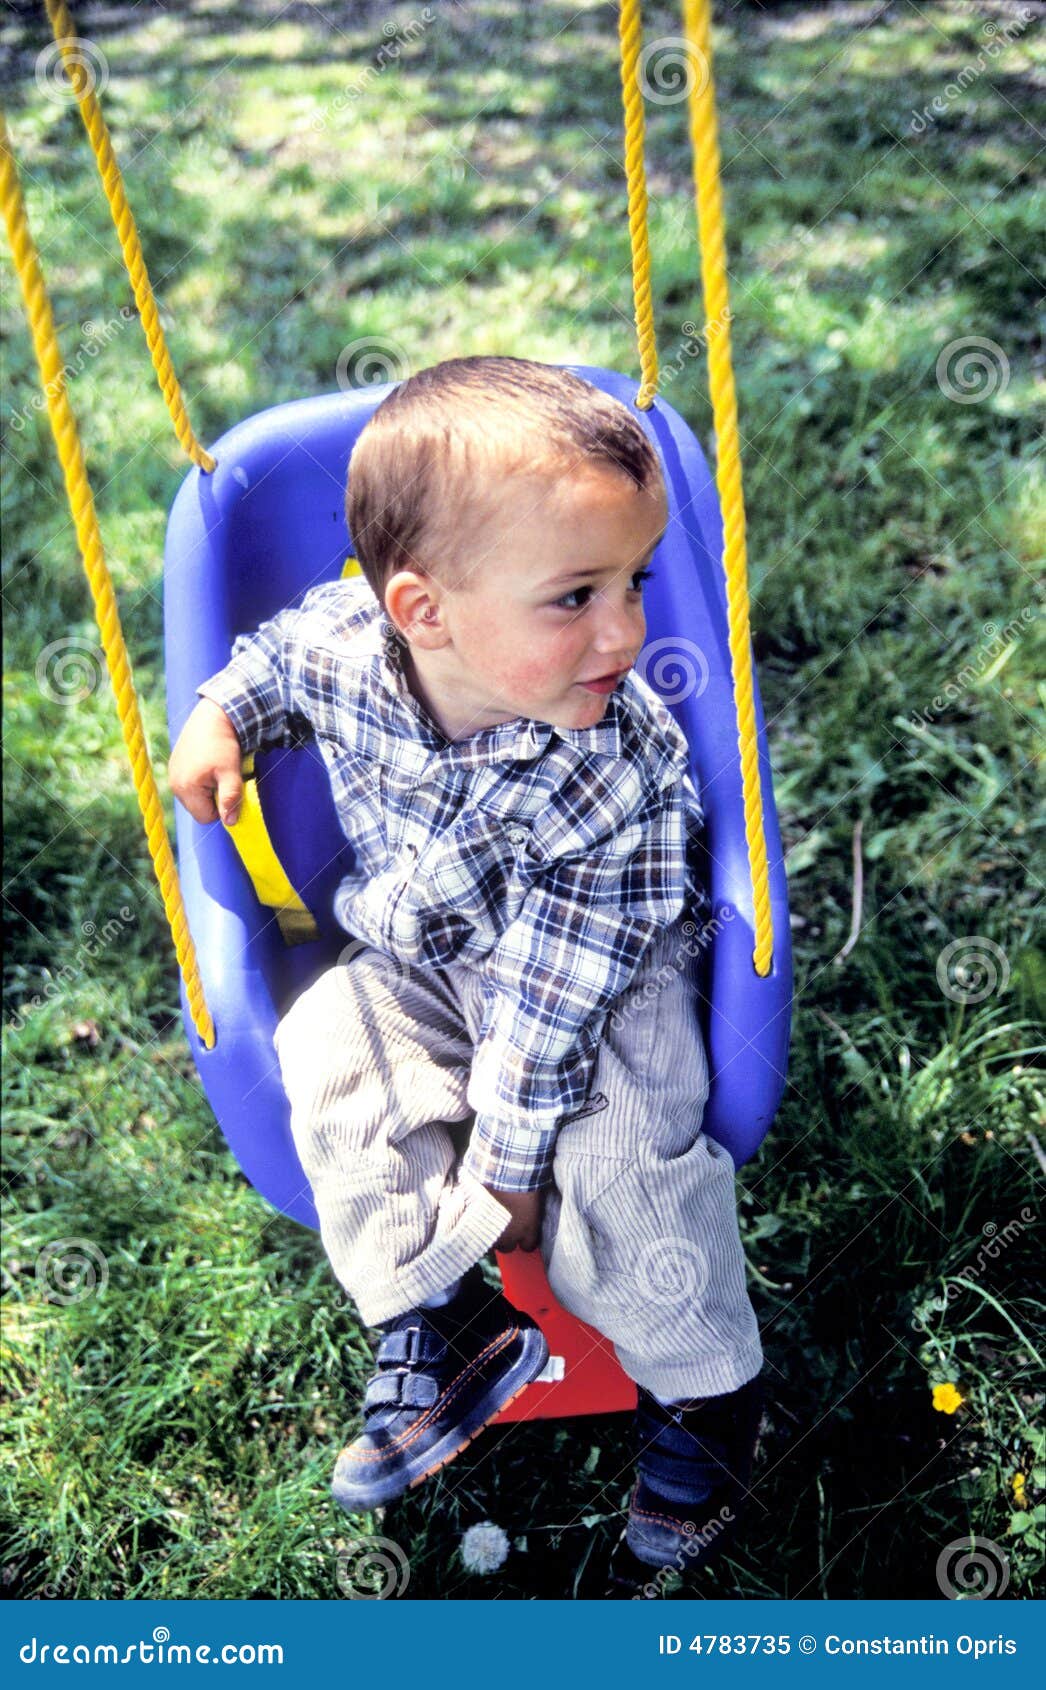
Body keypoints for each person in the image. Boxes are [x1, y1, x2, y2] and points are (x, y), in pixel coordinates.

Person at [168, 356, 764, 1575]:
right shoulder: (344, 643)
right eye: (575, 596)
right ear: (420, 611)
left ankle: (705, 1391)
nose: (626, 632)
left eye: (635, 581)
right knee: (330, 1053)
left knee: (621, 1162)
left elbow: (551, 1001)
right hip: (421, 954)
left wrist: (504, 1171)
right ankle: (438, 1312)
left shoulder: (612, 758)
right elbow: (272, 662)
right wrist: (221, 716)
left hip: (607, 985)